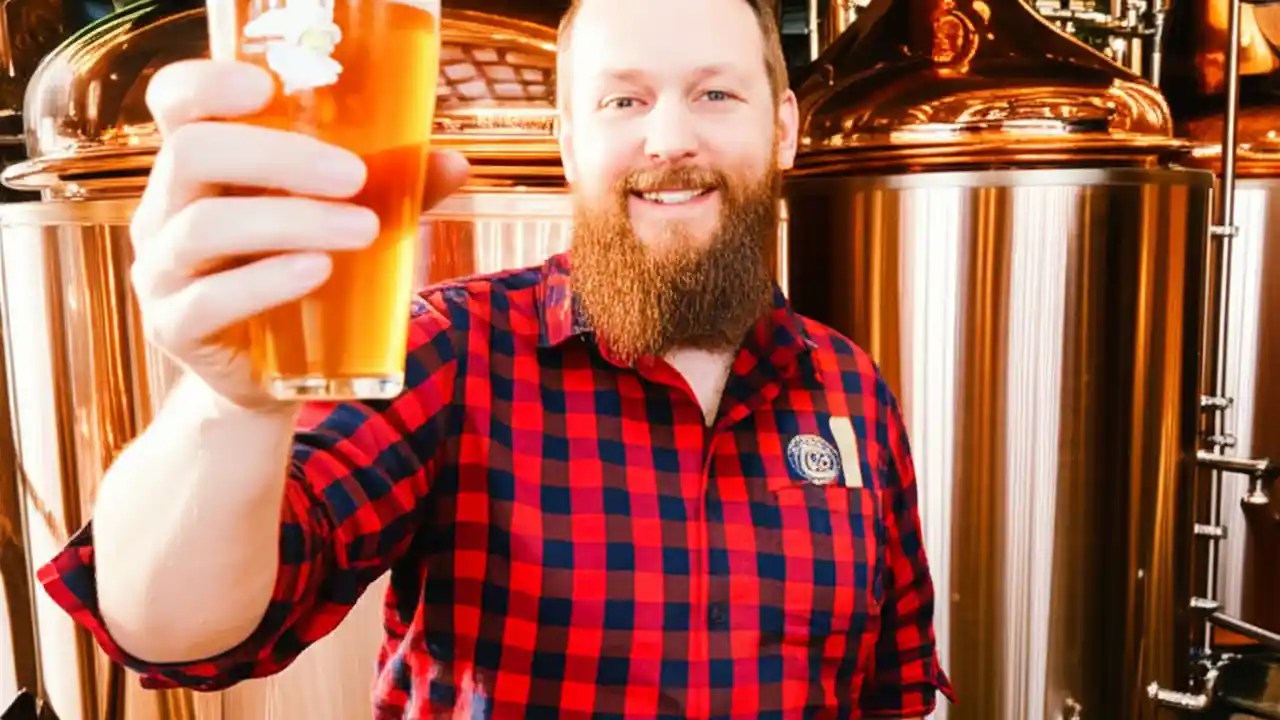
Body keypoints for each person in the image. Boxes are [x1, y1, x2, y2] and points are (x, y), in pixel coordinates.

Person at [37, 0, 954, 716]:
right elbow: (175, 629)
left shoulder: (850, 389)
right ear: (567, 142)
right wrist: (226, 405)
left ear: (785, 126)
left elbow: (892, 691)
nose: (669, 137)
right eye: (622, 99)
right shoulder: (455, 350)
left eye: (715, 93)